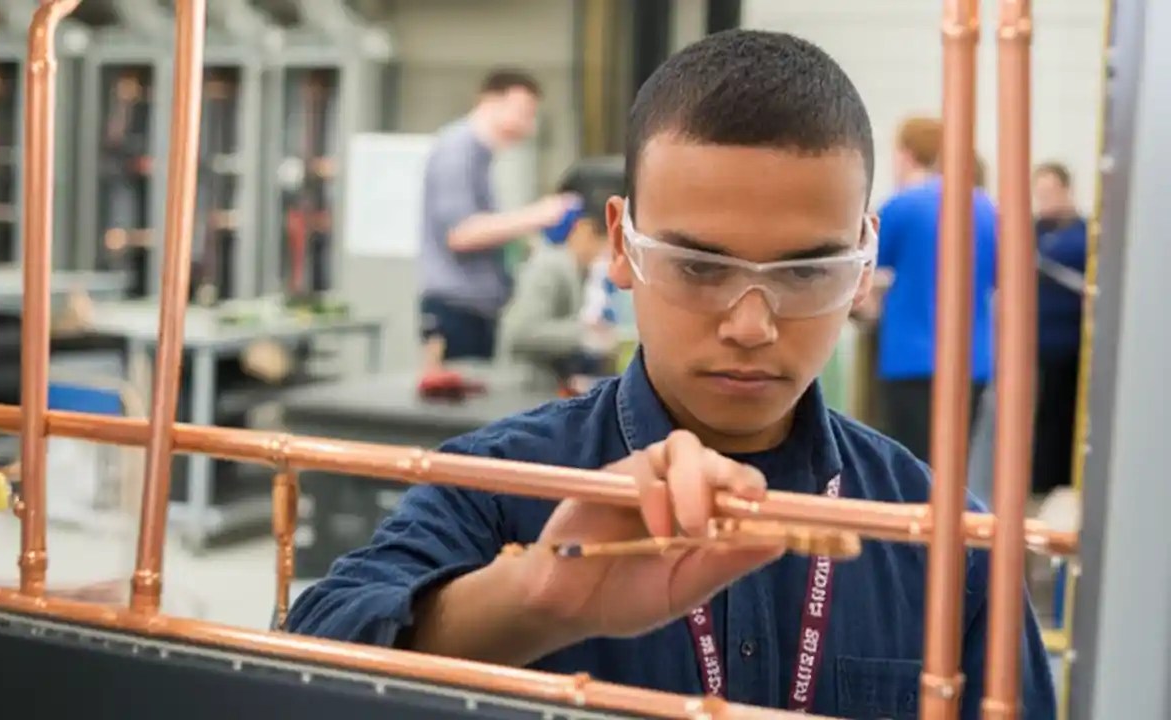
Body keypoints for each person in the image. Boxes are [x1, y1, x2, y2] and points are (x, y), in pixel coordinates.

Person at [289, 30, 1054, 718]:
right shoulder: (504, 487)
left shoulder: (940, 534)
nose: (749, 325)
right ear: (622, 242)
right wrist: (535, 603)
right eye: (697, 265)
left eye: (806, 271)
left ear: (861, 264)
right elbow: (295, 667)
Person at [418, 69, 580, 367]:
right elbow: (461, 234)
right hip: (457, 311)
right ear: (490, 101)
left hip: (477, 311)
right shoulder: (457, 150)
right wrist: (537, 214)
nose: (528, 127)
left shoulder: (480, 157)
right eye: (523, 113)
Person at [873, 117, 998, 463]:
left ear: (908, 154)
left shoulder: (901, 205)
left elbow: (863, 271)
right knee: (952, 468)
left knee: (909, 469)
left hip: (910, 359)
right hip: (971, 361)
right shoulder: (987, 208)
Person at [498, 162, 622, 392]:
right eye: (605, 241)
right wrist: (586, 334)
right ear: (585, 230)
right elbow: (520, 332)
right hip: (529, 388)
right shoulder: (551, 265)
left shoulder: (581, 272)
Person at [1030, 161, 1088, 494]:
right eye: (1040, 193)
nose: (1045, 200)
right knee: (1041, 424)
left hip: (1072, 348)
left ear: (1067, 190)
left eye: (1050, 192)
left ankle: (1062, 485)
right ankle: (1040, 487)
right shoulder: (1034, 232)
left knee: (1065, 420)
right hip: (1038, 347)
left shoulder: (1082, 235)